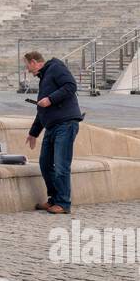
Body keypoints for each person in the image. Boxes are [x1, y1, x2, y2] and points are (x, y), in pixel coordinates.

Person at [24, 51, 84, 215]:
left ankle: (63, 203)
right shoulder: (45, 78)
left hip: (65, 125)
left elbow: (71, 86)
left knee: (61, 165)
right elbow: (41, 109)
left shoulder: (56, 67)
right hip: (52, 126)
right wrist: (33, 133)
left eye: (27, 65)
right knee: (45, 163)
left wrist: (50, 99)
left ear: (35, 62)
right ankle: (54, 199)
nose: (28, 70)